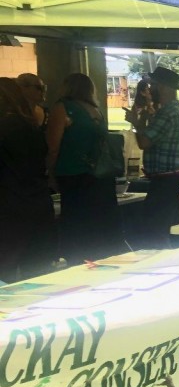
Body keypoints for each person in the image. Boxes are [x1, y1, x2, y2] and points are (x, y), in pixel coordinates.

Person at [48, 73, 123, 262]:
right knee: (99, 226)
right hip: (100, 176)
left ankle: (77, 261)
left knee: (76, 225)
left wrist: (49, 172)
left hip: (73, 174)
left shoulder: (63, 108)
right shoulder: (97, 111)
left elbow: (53, 146)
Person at [0, 77, 55, 280]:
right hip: (37, 202)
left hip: (9, 206)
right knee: (37, 272)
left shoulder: (5, 127)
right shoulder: (30, 126)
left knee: (6, 270)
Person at [134, 66, 179, 248]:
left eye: (153, 85)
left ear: (165, 88)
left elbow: (144, 142)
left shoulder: (167, 113)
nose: (149, 90)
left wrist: (137, 122)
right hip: (177, 177)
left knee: (155, 231)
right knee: (177, 229)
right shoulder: (178, 111)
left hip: (166, 182)